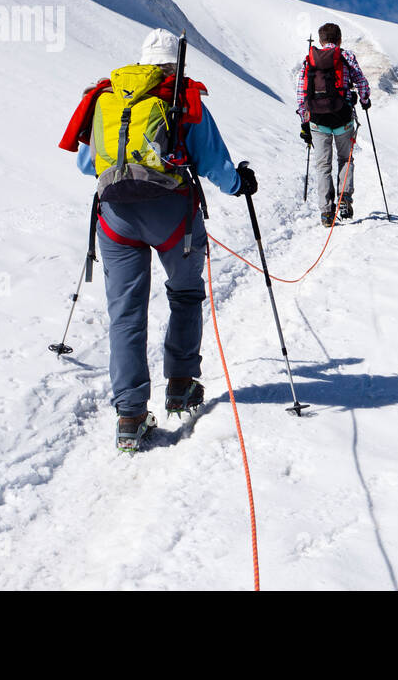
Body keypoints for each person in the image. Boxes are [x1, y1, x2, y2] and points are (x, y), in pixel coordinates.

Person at [59, 28, 257, 452]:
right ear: (174, 63)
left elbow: (85, 164)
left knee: (125, 312)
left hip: (115, 217)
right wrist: (241, 184)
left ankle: (130, 417)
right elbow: (215, 163)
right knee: (184, 294)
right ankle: (181, 385)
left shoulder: (106, 97)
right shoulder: (181, 97)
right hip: (172, 215)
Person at [297, 23, 371, 226]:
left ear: (320, 41)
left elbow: (301, 93)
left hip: (317, 121)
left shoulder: (310, 60)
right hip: (342, 118)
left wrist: (305, 122)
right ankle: (344, 198)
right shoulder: (346, 56)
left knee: (323, 165)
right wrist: (365, 100)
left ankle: (326, 213)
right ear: (339, 40)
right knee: (345, 158)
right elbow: (362, 83)